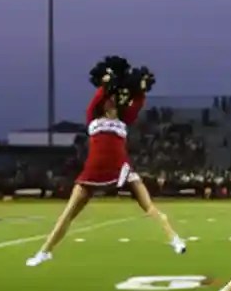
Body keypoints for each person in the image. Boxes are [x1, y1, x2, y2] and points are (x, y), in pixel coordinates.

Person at [26, 58, 184, 266]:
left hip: (120, 169)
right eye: (109, 98)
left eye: (113, 99)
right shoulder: (93, 115)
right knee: (67, 215)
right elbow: (100, 94)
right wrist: (107, 81)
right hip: (93, 171)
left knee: (150, 207)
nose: (111, 100)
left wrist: (141, 88)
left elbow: (136, 102)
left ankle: (174, 239)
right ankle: (45, 251)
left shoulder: (124, 119)